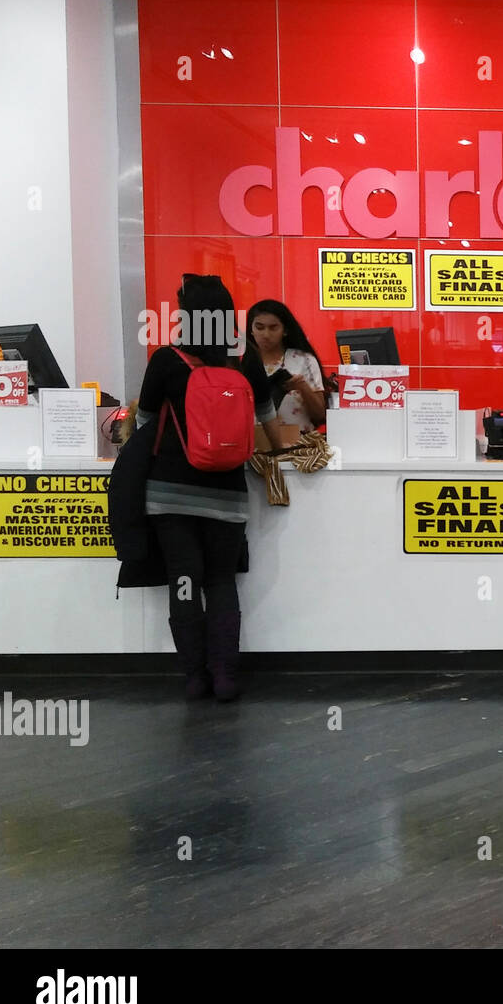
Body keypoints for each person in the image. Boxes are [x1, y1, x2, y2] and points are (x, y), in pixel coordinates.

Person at [135, 274, 290, 701]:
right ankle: (225, 677)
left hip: (170, 493)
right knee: (220, 581)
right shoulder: (245, 360)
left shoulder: (165, 360)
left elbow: (146, 424)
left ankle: (194, 677)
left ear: (188, 315)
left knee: (183, 581)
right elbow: (269, 424)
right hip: (226, 495)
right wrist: (277, 448)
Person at [244, 299, 328, 433]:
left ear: (285, 330)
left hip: (298, 446)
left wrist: (302, 387)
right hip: (255, 447)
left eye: (273, 328)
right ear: (251, 330)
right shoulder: (241, 362)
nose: (266, 335)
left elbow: (320, 415)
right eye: (259, 327)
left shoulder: (304, 360)